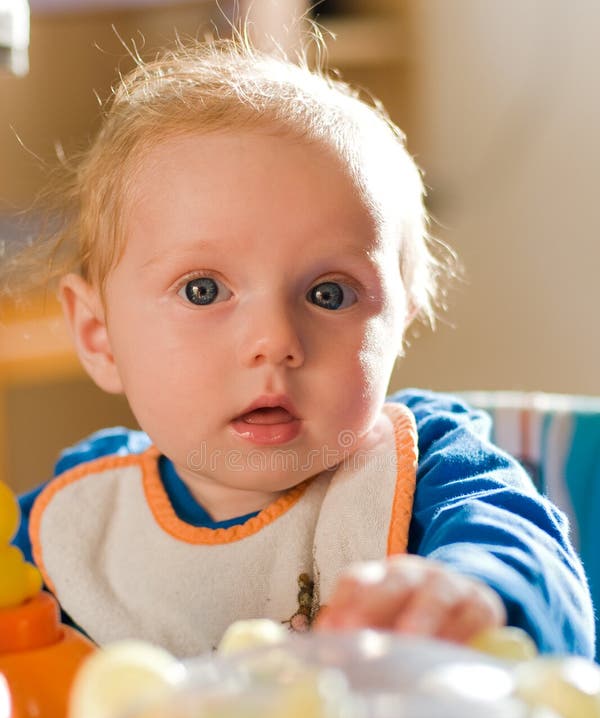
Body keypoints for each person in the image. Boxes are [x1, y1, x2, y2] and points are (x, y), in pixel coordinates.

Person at [6, 37, 594, 659]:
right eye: (203, 290)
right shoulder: (73, 523)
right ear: (99, 337)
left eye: (330, 295)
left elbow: (540, 582)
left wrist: (473, 595)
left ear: (401, 322)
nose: (275, 342)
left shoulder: (427, 470)